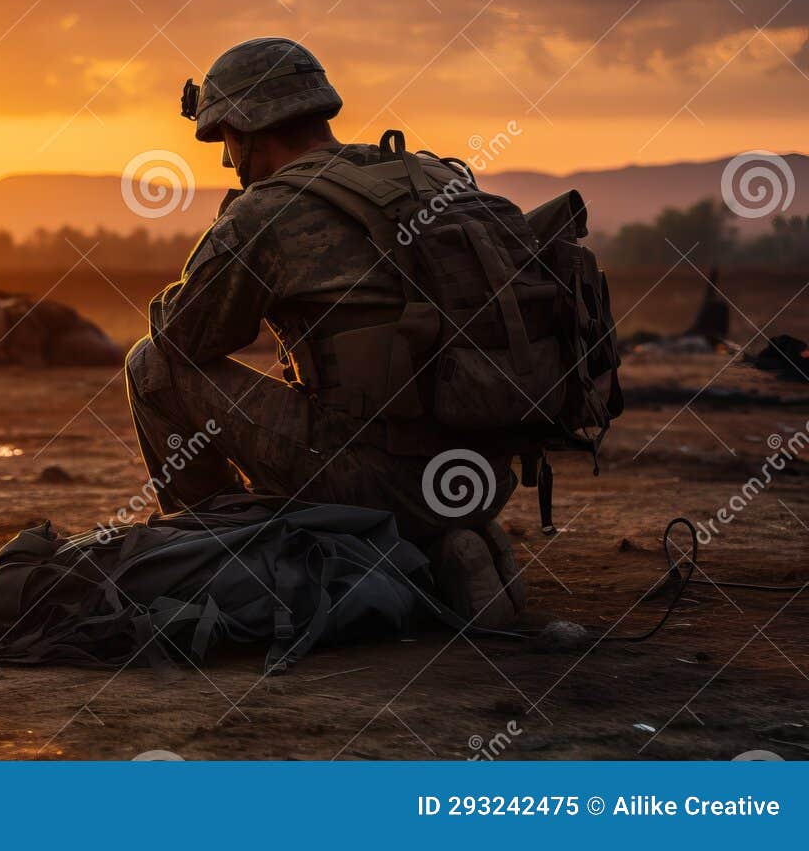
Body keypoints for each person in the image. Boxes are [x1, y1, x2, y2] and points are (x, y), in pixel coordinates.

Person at [125, 37, 529, 627]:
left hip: (373, 477)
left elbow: (182, 338)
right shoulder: (430, 175)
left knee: (150, 366)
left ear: (249, 127)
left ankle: (225, 551)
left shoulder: (271, 210)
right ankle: (446, 541)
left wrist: (221, 248)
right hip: (482, 472)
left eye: (227, 140)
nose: (227, 161)